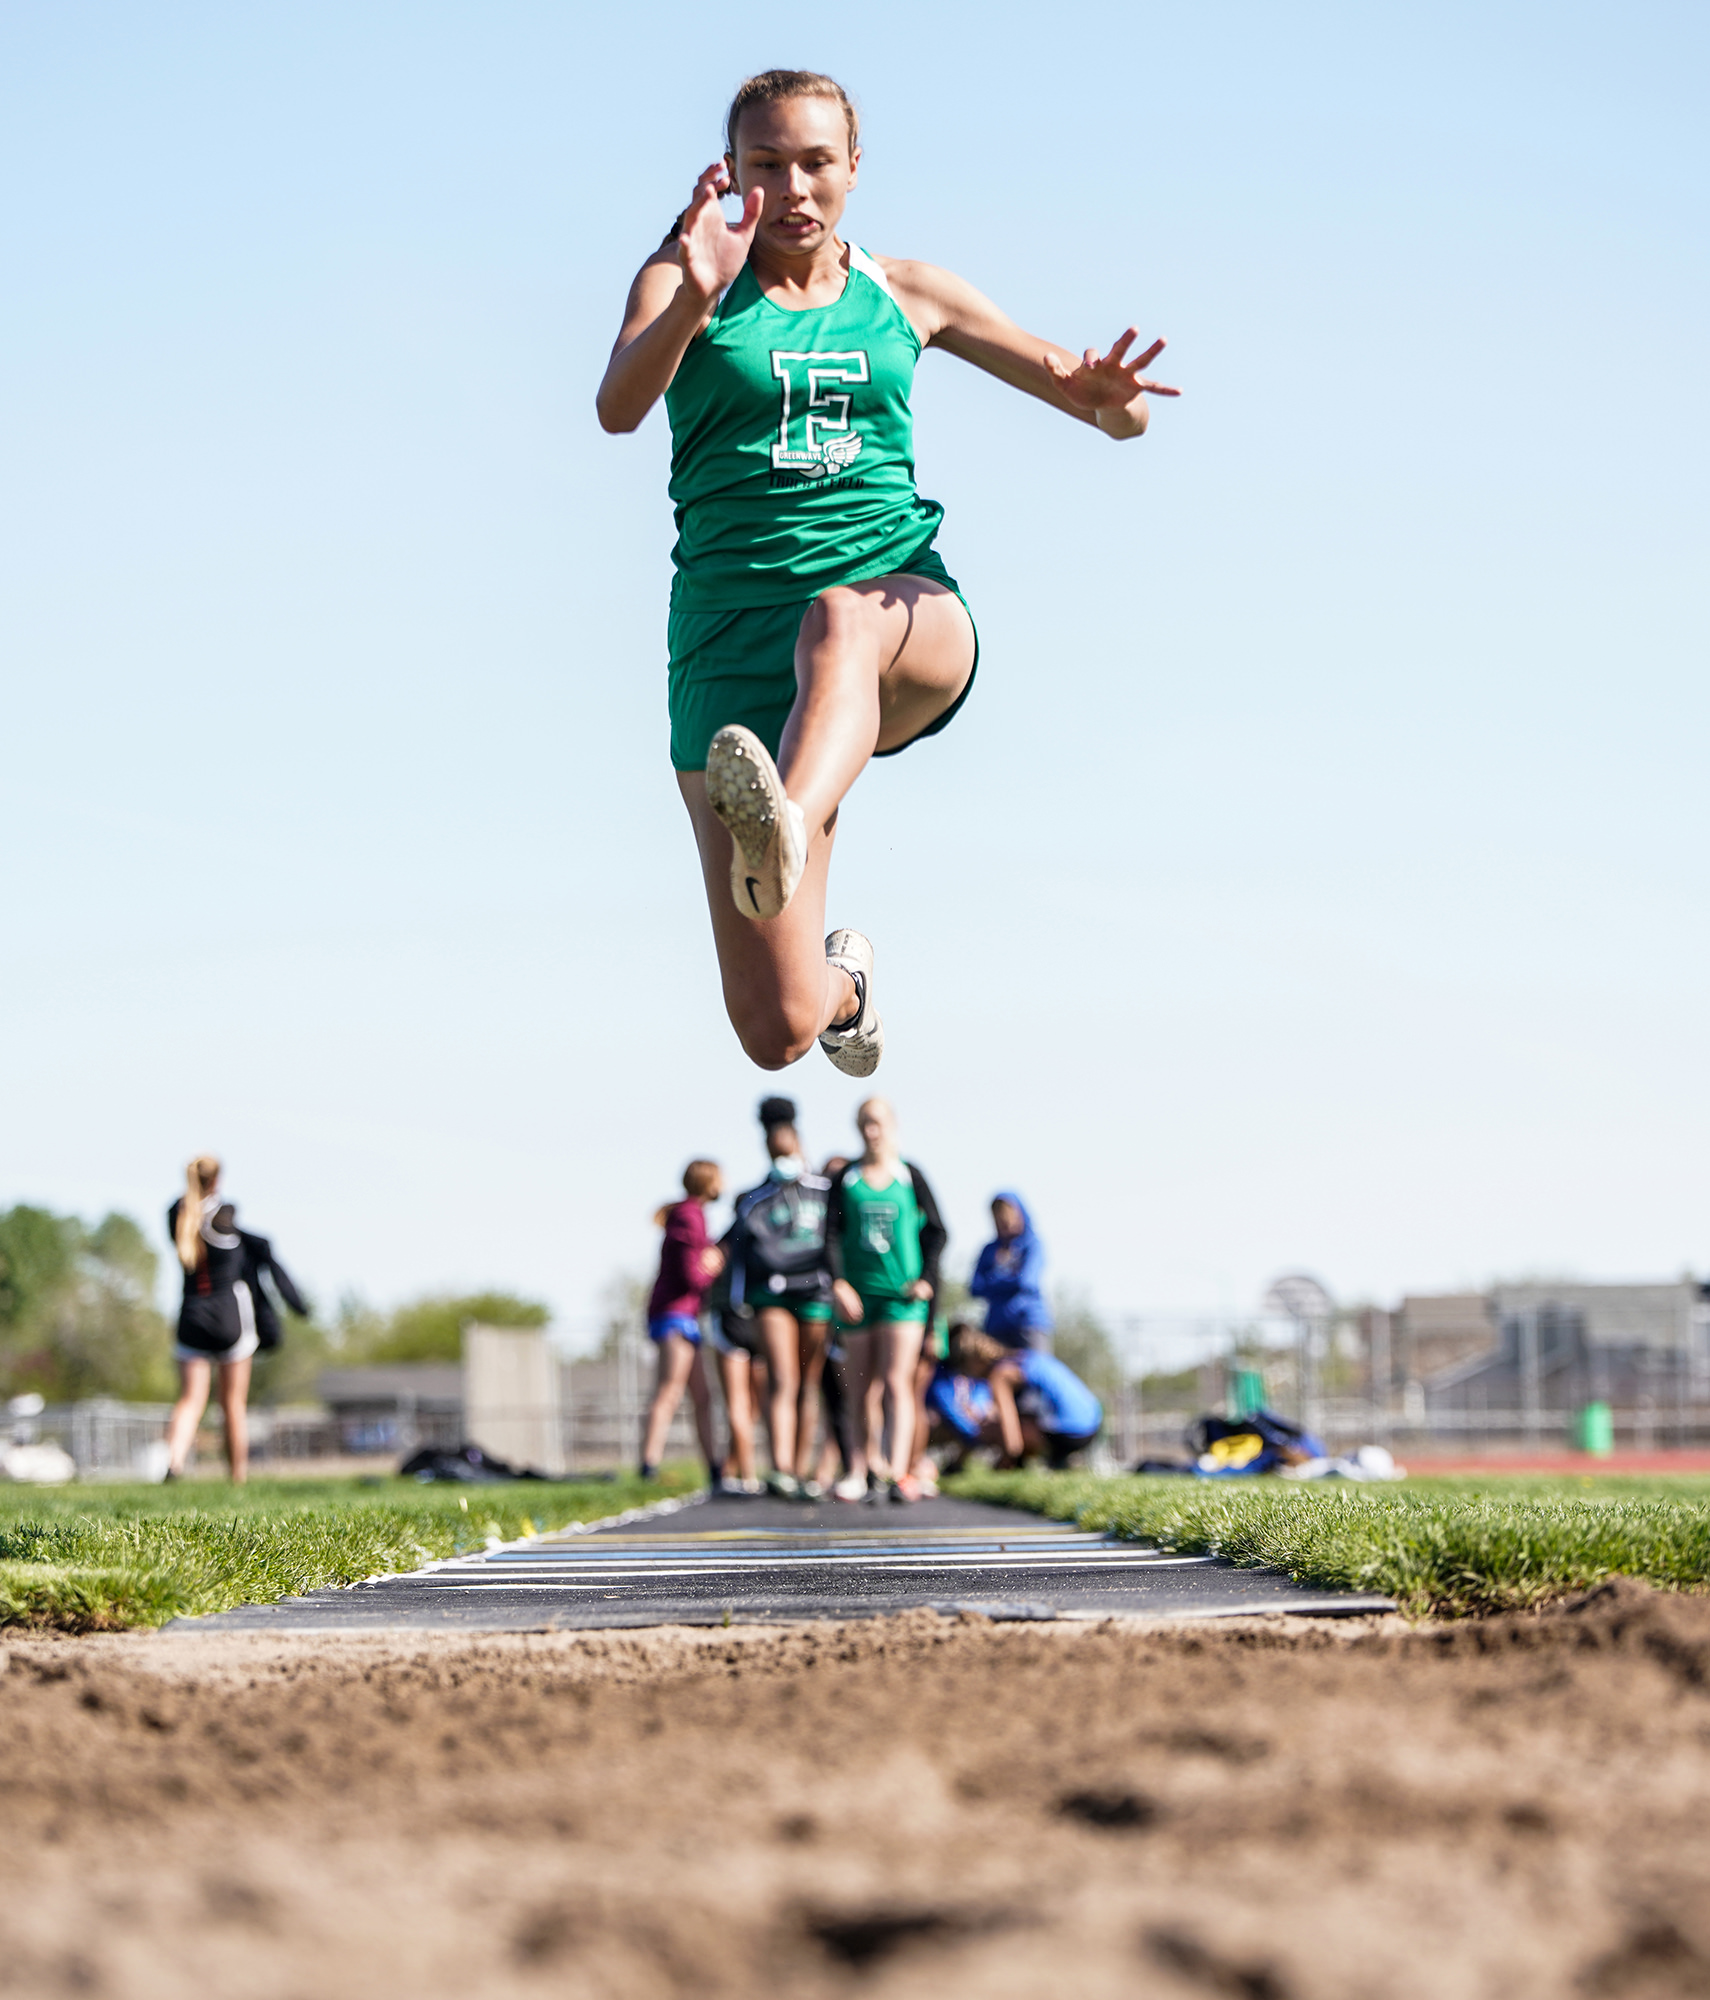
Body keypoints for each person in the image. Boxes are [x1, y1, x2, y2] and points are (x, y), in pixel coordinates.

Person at [596, 69, 1178, 1077]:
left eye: (816, 163)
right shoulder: (685, 277)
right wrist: (693, 295)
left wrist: (1112, 395)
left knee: (839, 619)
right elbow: (617, 407)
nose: (793, 189)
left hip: (895, 607)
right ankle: (846, 988)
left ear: (854, 168)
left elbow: (1110, 413)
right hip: (731, 652)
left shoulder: (906, 291)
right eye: (766, 164)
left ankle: (785, 817)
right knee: (776, 1031)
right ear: (731, 172)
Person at [825, 1097, 946, 1501]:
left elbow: (938, 1231)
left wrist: (927, 1279)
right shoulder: (847, 1179)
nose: (870, 1131)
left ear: (892, 1124)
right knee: (861, 1388)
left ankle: (897, 1472)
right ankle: (861, 1469)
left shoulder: (910, 1175)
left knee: (897, 1382)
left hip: (902, 1298)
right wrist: (839, 1283)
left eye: (876, 1122)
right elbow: (829, 1236)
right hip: (859, 1298)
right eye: (863, 1123)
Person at [715, 1096, 834, 1497]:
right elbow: (736, 1251)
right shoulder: (754, 1200)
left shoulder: (824, 1192)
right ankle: (781, 1468)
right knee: (783, 1379)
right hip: (772, 1295)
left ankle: (801, 1470)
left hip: (816, 1294)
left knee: (808, 1384)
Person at [163, 1155, 304, 1482]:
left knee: (190, 1399)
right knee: (232, 1404)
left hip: (192, 1314)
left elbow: (186, 1212)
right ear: (216, 1180)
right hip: (230, 1315)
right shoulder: (225, 1212)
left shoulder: (176, 1216)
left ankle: (174, 1463)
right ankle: (237, 1476)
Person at [639, 1159, 726, 1483]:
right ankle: (648, 1466)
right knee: (669, 1392)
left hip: (685, 1316)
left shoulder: (692, 1215)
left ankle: (715, 1470)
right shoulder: (689, 1216)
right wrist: (713, 1268)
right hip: (674, 1315)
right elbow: (693, 1275)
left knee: (703, 1396)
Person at [949, 1326, 1104, 1470]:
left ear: (975, 1361)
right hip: (1093, 1423)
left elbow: (1011, 1435)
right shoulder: (1023, 1357)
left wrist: (1006, 1459)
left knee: (986, 1428)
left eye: (963, 1365)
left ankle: (960, 1466)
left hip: (1070, 1432)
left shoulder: (1001, 1375)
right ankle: (1058, 1460)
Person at [969, 1192, 1053, 1351]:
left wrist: (993, 1278)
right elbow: (975, 1287)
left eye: (1008, 1218)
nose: (1004, 1224)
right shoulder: (990, 1250)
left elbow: (1026, 1282)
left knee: (1032, 1366)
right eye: (999, 1219)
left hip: (1028, 1323)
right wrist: (1008, 1279)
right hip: (996, 1325)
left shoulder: (1032, 1245)